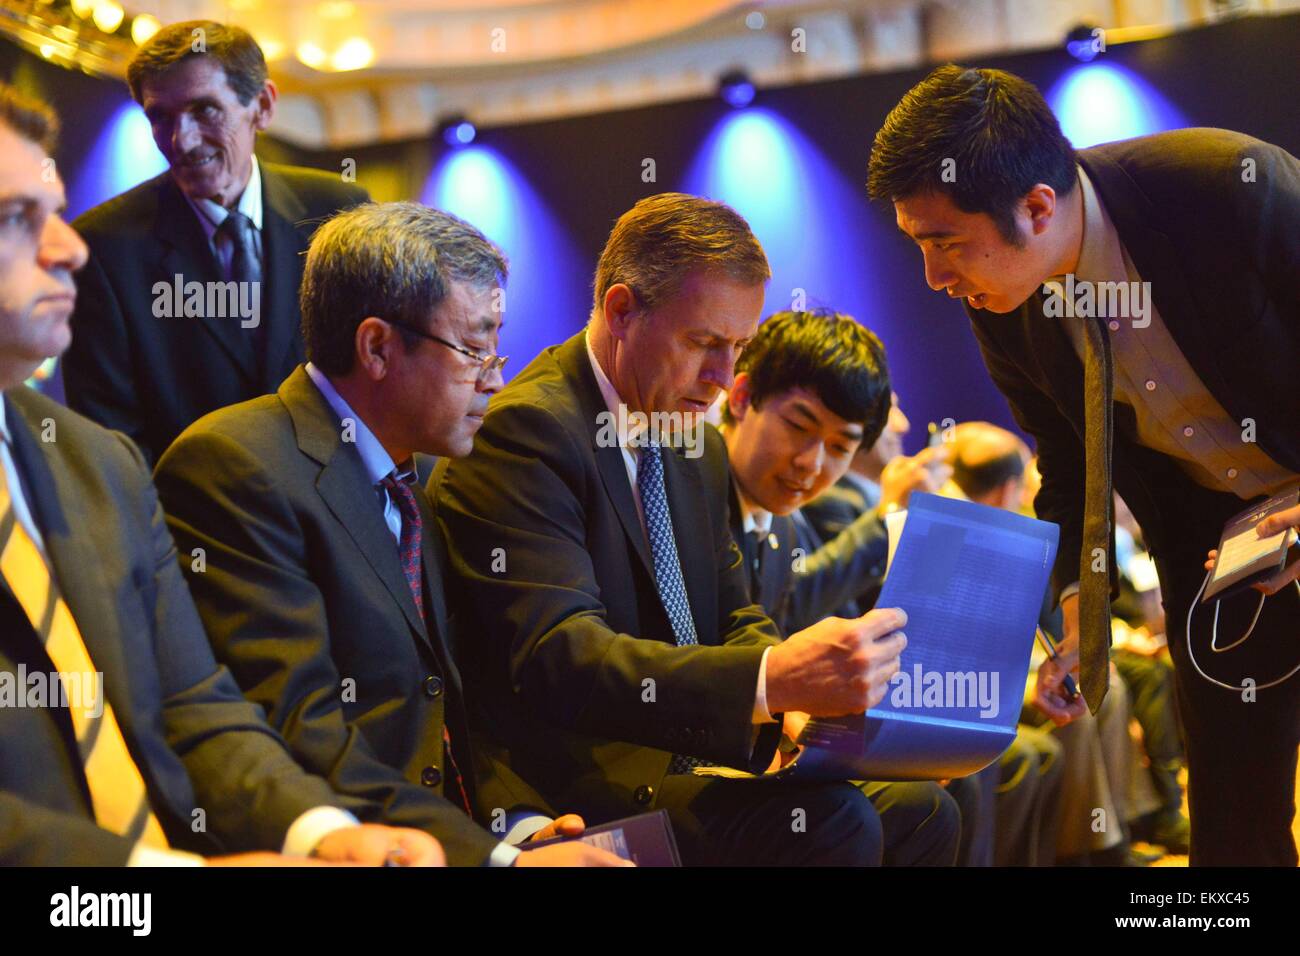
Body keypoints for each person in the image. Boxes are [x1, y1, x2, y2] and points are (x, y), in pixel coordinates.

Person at [868, 64, 1300, 864]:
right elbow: (1067, 470)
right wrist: (1079, 605)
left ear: (1036, 207)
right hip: (1222, 555)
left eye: (946, 244)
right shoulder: (1003, 304)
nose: (934, 278)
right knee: (1235, 824)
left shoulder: (1224, 189)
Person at [0, 84, 436, 867]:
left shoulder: (101, 465)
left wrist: (322, 835)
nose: (69, 248)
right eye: (14, 219)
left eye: (55, 212)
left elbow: (194, 705)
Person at [434, 193, 909, 866]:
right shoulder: (530, 431)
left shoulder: (693, 440)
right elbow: (560, 658)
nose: (723, 379)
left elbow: (734, 610)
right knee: (835, 823)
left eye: (738, 348)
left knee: (924, 811)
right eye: (704, 344)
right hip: (575, 781)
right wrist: (771, 677)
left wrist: (794, 702)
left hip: (690, 758)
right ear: (622, 309)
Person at [154, 202, 626, 867]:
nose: (496, 376)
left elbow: (459, 706)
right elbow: (302, 732)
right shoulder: (235, 465)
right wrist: (499, 863)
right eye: (474, 347)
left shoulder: (424, 471)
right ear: (377, 347)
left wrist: (518, 828)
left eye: (497, 345)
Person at [63, 21, 369, 464]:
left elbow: (377, 379)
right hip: (189, 523)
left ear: (261, 106)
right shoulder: (106, 248)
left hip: (337, 514)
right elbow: (112, 448)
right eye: (160, 117)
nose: (180, 140)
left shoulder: (341, 211)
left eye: (204, 110)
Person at [718, 308, 960, 865]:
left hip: (770, 733)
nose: (810, 463)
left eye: (839, 446)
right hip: (696, 753)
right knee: (842, 818)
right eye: (799, 428)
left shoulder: (782, 517)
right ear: (740, 397)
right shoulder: (692, 491)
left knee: (935, 800)